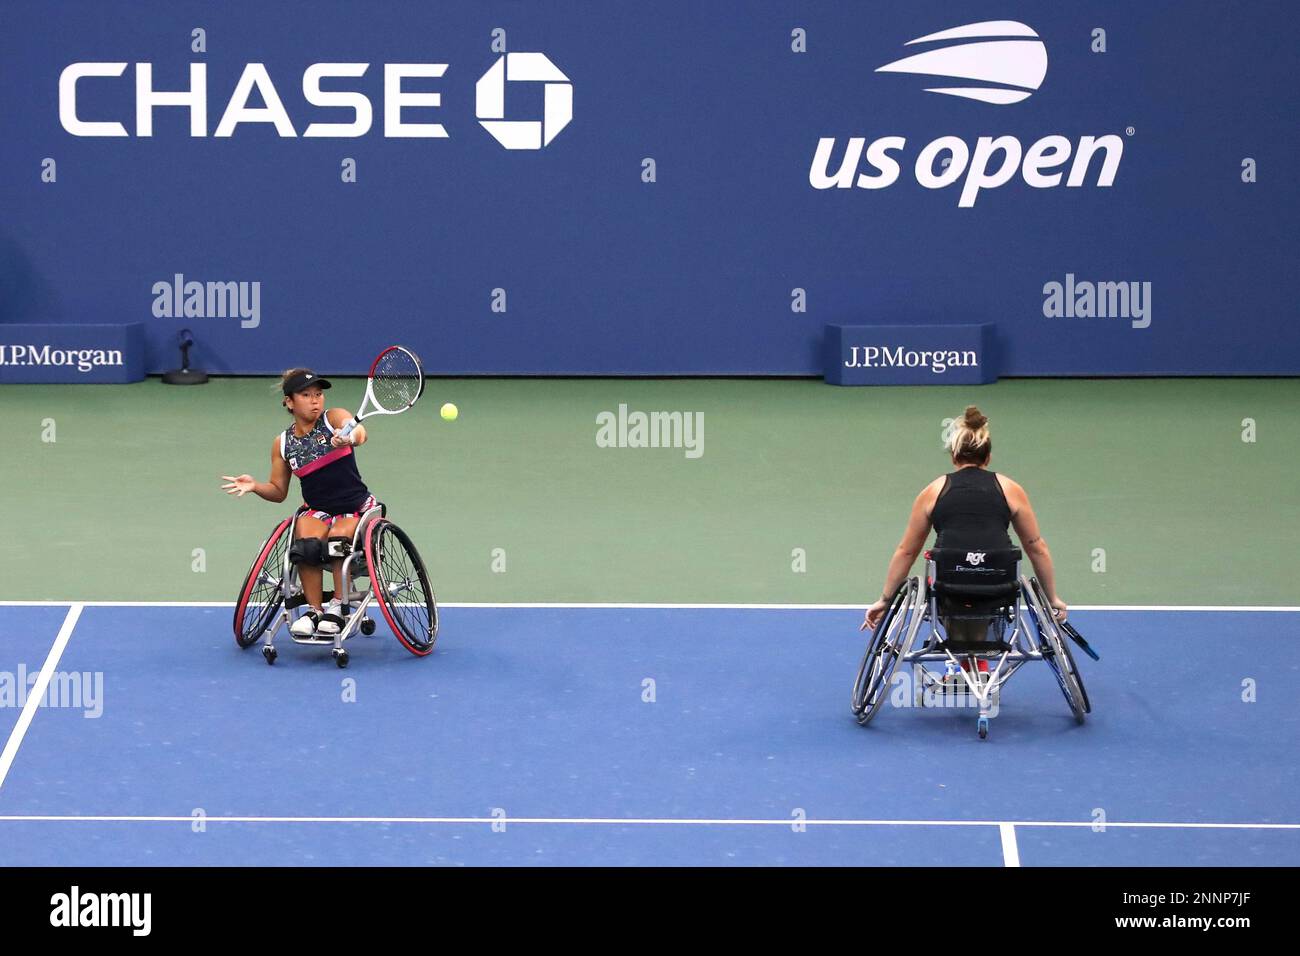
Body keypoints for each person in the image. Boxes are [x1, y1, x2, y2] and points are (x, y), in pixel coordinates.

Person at [862, 405, 1067, 638]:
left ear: (954, 456)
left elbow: (907, 551)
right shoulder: (1011, 489)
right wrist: (1052, 599)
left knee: (949, 586)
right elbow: (1036, 547)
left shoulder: (932, 491)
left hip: (949, 585)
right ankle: (977, 654)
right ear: (988, 457)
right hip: (998, 582)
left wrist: (885, 599)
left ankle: (966, 654)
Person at [222, 368, 375, 637]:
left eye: (318, 394)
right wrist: (255, 486)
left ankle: (337, 607)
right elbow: (278, 491)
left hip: (354, 508)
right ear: (289, 402)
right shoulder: (282, 443)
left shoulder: (333, 418)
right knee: (305, 546)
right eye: (306, 395)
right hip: (318, 510)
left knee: (338, 540)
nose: (315, 400)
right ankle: (314, 610)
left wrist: (349, 438)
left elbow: (360, 433)